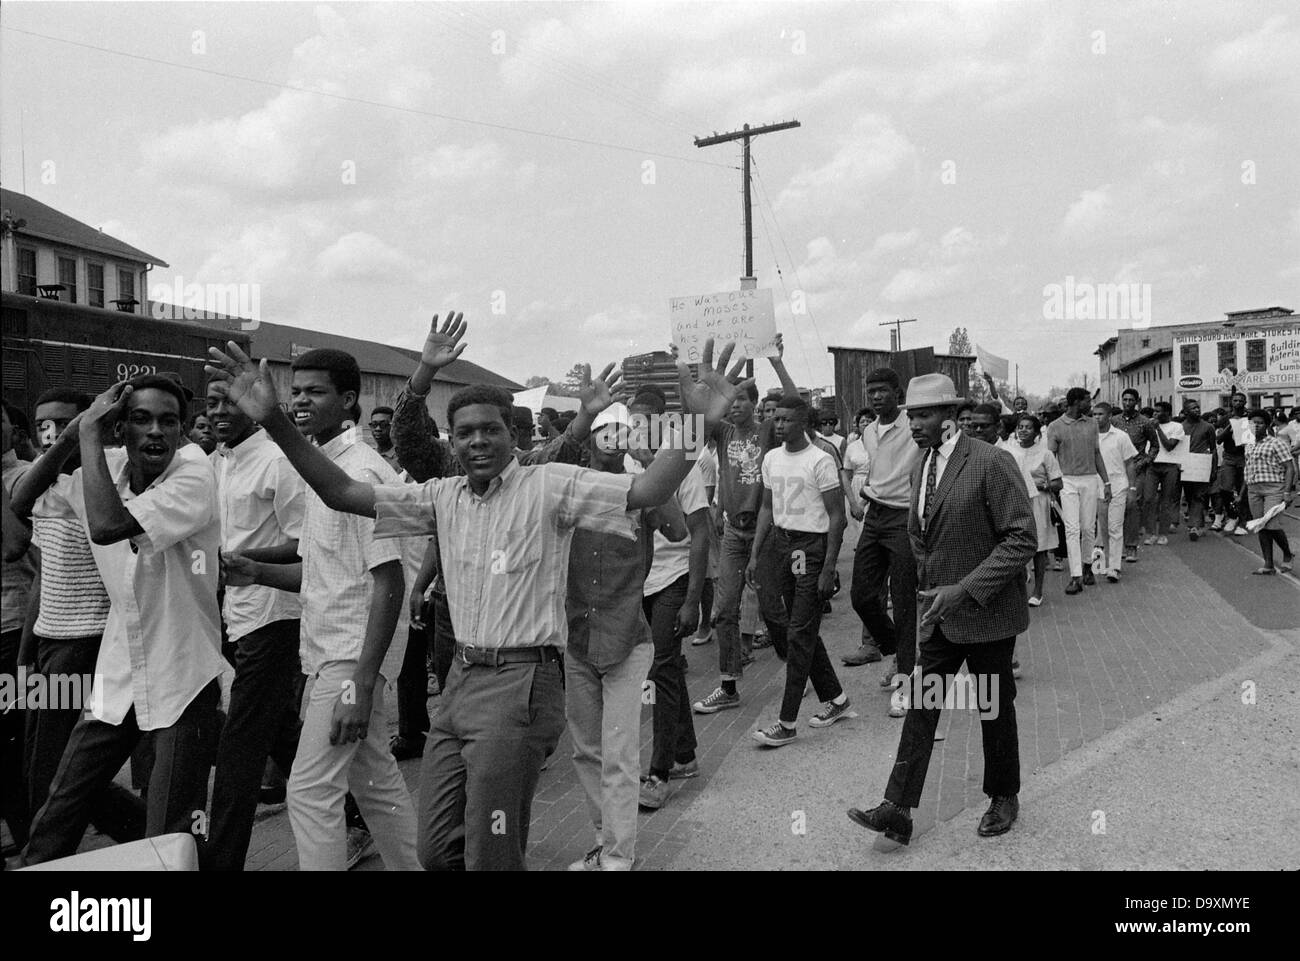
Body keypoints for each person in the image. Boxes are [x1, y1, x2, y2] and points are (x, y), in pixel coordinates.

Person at [207, 321, 744, 871]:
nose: (478, 442)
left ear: (514, 436)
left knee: (491, 849)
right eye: (465, 433)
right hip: (459, 682)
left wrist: (694, 422)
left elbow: (649, 490)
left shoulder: (550, 484)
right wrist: (272, 418)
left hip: (522, 681)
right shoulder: (440, 496)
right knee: (438, 852)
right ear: (453, 443)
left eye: (491, 430)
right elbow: (341, 492)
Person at [217, 349, 421, 872]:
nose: (301, 400)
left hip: (349, 661)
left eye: (316, 392)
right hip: (332, 654)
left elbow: (389, 581)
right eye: (297, 390)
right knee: (374, 783)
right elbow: (322, 572)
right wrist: (258, 572)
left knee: (308, 790)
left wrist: (362, 682)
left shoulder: (363, 470)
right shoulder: (321, 469)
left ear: (348, 400)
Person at [17, 375, 225, 864]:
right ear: (120, 429)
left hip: (184, 675)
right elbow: (22, 500)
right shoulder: (103, 466)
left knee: (170, 834)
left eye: (168, 421)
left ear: (182, 431)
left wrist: (88, 437)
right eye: (141, 419)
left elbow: (109, 527)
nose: (156, 431)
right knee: (59, 808)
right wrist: (75, 434)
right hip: (120, 671)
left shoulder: (194, 473)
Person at [847, 373, 1036, 846]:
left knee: (993, 707)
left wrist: (966, 588)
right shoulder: (921, 467)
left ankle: (1004, 796)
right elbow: (919, 534)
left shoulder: (992, 462)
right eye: (911, 415)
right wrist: (930, 589)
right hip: (941, 614)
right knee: (923, 704)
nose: (914, 423)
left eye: (924, 414)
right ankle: (898, 809)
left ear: (951, 416)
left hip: (988, 614)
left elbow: (1021, 539)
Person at [13, 389, 147, 853]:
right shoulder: (49, 483)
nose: (53, 434)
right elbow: (43, 576)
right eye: (43, 424)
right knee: (48, 770)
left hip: (87, 647)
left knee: (57, 775)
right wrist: (28, 654)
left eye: (64, 424)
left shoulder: (107, 478)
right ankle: (163, 839)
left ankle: (48, 857)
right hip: (51, 644)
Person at [566, 402, 688, 870]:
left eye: (623, 432)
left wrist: (655, 482)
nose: (615, 440)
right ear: (592, 438)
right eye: (607, 431)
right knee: (585, 749)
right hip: (577, 635)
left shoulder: (642, 489)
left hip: (626, 637)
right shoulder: (570, 488)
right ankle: (603, 840)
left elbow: (678, 530)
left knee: (619, 753)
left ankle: (619, 856)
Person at [201, 376, 310, 871]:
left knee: (240, 743)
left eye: (230, 401)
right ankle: (354, 813)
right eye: (212, 402)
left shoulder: (277, 460)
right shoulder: (214, 462)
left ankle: (220, 862)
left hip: (274, 613)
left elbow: (304, 542)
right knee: (279, 726)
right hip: (232, 612)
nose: (220, 410)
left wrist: (241, 559)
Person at [691, 337, 797, 716]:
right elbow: (694, 429)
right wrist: (705, 386)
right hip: (733, 533)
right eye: (730, 401)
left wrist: (777, 363)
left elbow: (794, 405)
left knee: (772, 609)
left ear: (753, 405)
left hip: (766, 532)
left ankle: (799, 671)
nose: (734, 406)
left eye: (741, 401)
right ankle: (729, 684)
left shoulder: (767, 430)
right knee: (724, 611)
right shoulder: (721, 432)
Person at [747, 396, 851, 746]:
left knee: (798, 634)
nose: (778, 425)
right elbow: (766, 507)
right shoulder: (772, 458)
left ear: (803, 421)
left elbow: (838, 516)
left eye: (786, 420)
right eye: (775, 419)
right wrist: (755, 553)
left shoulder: (820, 461)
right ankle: (836, 700)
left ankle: (787, 723)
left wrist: (829, 567)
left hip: (811, 547)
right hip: (783, 544)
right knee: (800, 628)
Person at [633, 388, 711, 812]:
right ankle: (685, 755)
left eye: (645, 418)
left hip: (674, 579)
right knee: (665, 667)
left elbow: (699, 533)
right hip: (641, 580)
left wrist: (693, 601)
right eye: (632, 420)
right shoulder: (625, 463)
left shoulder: (686, 466)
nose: (636, 427)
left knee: (662, 667)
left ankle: (660, 773)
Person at [845, 369, 924, 714]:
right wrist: (865, 493)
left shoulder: (914, 426)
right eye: (871, 392)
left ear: (898, 392)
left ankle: (907, 681)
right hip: (875, 515)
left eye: (883, 391)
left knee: (903, 601)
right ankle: (898, 649)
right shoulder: (867, 431)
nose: (877, 397)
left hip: (903, 518)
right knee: (861, 596)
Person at [1, 402, 37, 848]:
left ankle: (38, 848)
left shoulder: (26, 476)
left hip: (16, 633)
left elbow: (13, 545)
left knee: (15, 754)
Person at [1045, 387, 1111, 595]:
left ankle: (1087, 567)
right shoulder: (1055, 426)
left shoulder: (1092, 424)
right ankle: (1076, 577)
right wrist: (1052, 485)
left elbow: (1097, 454)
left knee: (1088, 528)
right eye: (1086, 401)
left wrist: (1106, 482)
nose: (1090, 404)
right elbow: (1049, 459)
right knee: (1072, 529)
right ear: (1075, 402)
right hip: (1067, 481)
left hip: (1090, 479)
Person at [1000, 414, 1062, 605]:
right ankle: (1018, 588)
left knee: (1039, 547)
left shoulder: (1045, 454)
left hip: (1038, 502)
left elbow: (1058, 483)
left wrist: (1043, 486)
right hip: (1015, 501)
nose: (1023, 430)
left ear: (1036, 432)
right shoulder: (1008, 450)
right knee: (1014, 544)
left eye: (1028, 427)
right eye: (1020, 426)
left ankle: (1038, 591)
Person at [1243, 409, 1296, 575]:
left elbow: (1289, 468)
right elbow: (1247, 468)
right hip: (1253, 488)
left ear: (1267, 425)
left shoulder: (1276, 443)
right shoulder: (1249, 444)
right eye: (1253, 423)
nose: (1256, 426)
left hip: (1274, 488)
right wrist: (1243, 491)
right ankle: (1268, 564)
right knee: (1260, 526)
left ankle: (1287, 553)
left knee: (1271, 525)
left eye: (1260, 423)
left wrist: (1287, 492)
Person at [1093, 402, 1137, 582]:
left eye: (1100, 414)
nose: (1097, 418)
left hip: (1119, 485)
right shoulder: (1090, 436)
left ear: (1109, 415)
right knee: (1102, 528)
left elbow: (1129, 463)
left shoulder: (1121, 436)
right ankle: (1107, 562)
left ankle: (1115, 567)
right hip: (1097, 487)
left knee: (1115, 527)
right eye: (1094, 414)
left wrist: (1132, 488)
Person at [1114, 389, 1156, 562]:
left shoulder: (1145, 423)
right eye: (1125, 400)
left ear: (1137, 401)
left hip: (1137, 470)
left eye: (1131, 400)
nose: (1128, 403)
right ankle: (1118, 545)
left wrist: (1144, 462)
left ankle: (1131, 547)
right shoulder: (1113, 421)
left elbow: (1155, 446)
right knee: (1117, 506)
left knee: (1132, 505)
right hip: (1116, 469)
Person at [1178, 399, 1217, 540]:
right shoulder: (1180, 427)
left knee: (1199, 495)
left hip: (1202, 465)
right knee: (1189, 495)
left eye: (1197, 407)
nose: (1196, 410)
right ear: (1186, 412)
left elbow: (1213, 449)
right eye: (1193, 408)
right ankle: (1198, 524)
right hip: (1186, 466)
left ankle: (1194, 526)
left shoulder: (1208, 427)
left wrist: (1213, 468)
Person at [1146, 401, 1183, 545]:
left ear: (1167, 413)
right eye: (1154, 411)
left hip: (1170, 466)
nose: (1154, 414)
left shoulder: (1176, 427)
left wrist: (1158, 429)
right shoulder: (1149, 425)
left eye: (1158, 411)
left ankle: (1162, 533)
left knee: (1166, 501)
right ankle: (1151, 533)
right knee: (1149, 499)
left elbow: (1169, 446)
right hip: (1152, 466)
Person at [369, 406, 400, 470]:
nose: (378, 429)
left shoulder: (401, 458)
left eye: (383, 424)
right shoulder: (368, 455)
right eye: (374, 424)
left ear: (394, 426)